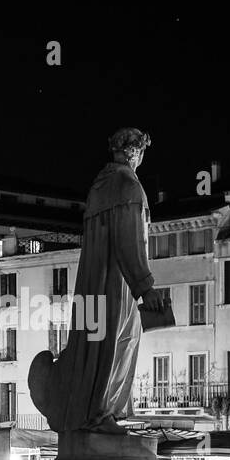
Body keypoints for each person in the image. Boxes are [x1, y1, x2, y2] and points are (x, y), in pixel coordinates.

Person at [29, 127, 166, 433]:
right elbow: (129, 241)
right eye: (142, 153)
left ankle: (86, 408)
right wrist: (145, 287)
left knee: (91, 342)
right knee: (118, 343)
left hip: (92, 286)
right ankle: (103, 414)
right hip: (118, 285)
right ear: (136, 153)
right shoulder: (129, 187)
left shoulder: (99, 188)